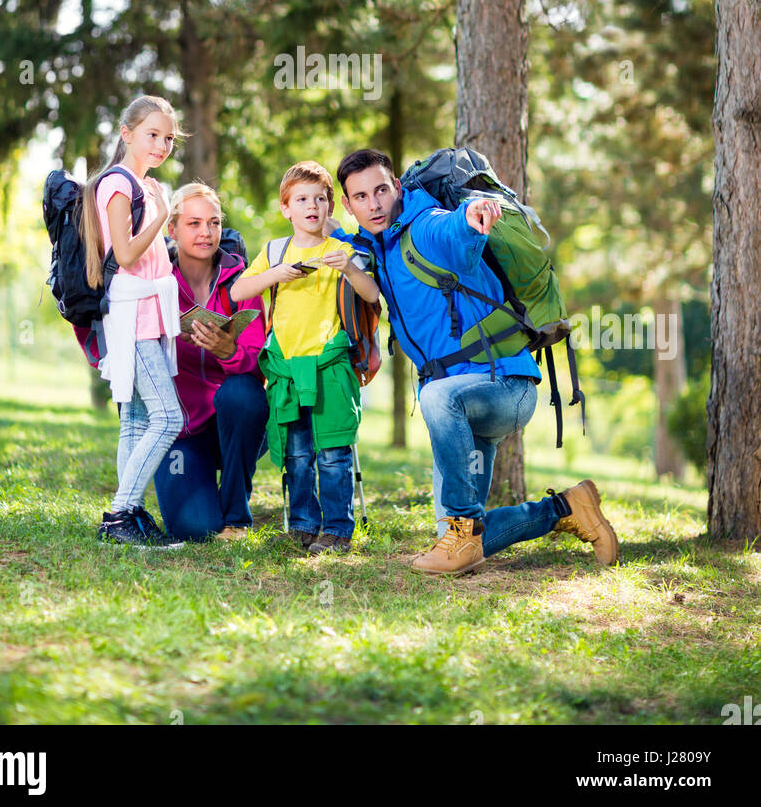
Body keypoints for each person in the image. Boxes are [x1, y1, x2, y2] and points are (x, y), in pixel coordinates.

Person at [331, 148, 619, 577]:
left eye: (381, 190)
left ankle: (464, 525)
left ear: (397, 187)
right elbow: (348, 247)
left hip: (503, 386)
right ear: (349, 204)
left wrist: (473, 216)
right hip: (463, 401)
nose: (373, 204)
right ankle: (564, 508)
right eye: (360, 196)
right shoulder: (379, 248)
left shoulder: (421, 226)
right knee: (453, 536)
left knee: (436, 399)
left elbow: (453, 234)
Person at [231, 161, 379, 555]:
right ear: (286, 208)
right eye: (302, 199)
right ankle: (302, 525)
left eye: (319, 199)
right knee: (297, 454)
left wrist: (348, 267)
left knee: (332, 453)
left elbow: (371, 295)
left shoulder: (341, 250)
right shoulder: (274, 251)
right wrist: (275, 274)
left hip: (330, 367)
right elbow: (237, 292)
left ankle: (336, 530)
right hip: (288, 372)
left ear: (330, 206)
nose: (311, 206)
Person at [80, 95, 184, 547]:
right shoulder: (119, 185)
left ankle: (132, 516)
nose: (161, 145)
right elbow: (123, 255)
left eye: (168, 138)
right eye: (152, 135)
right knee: (168, 417)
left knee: (138, 421)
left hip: (148, 315)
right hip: (133, 316)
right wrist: (161, 217)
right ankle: (120, 513)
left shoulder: (141, 183)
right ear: (126, 133)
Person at [152, 183, 268, 542]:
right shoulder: (156, 282)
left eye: (214, 223)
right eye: (194, 223)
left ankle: (236, 518)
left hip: (232, 423)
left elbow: (260, 364)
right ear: (172, 229)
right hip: (179, 430)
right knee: (196, 530)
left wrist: (228, 352)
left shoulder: (243, 281)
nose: (206, 232)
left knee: (243, 394)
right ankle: (203, 490)